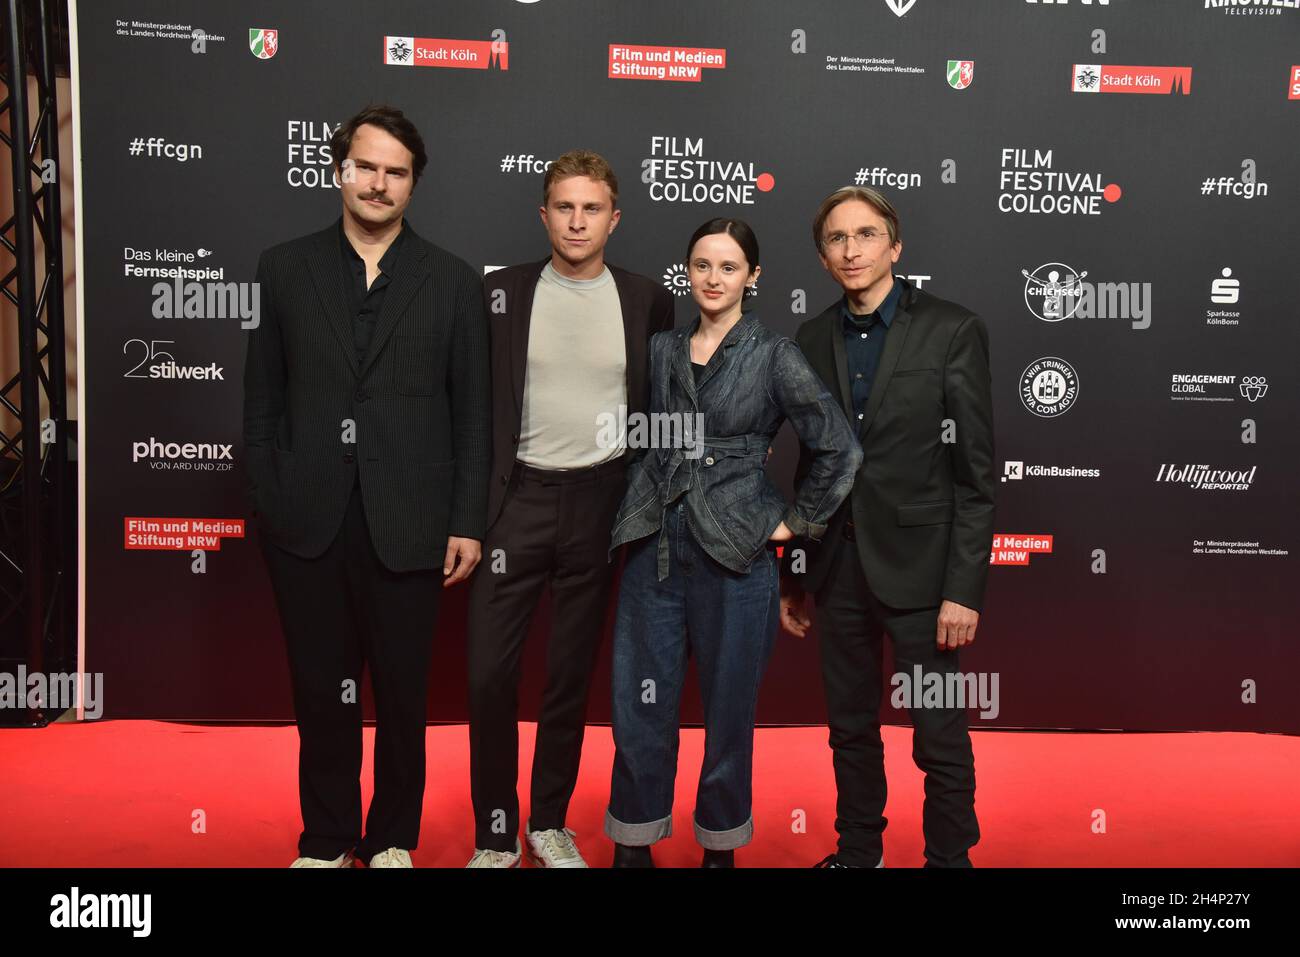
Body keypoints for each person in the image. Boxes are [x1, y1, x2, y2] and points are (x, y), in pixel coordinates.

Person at [242, 104, 490, 868]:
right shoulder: (283, 267)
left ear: (413, 184)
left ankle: (389, 838)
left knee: (405, 695)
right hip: (307, 517)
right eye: (367, 166)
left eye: (397, 172)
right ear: (339, 169)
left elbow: (473, 412)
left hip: (410, 519)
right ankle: (325, 838)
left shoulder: (452, 280)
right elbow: (262, 403)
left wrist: (467, 520)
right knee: (320, 692)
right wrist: (273, 495)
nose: (379, 183)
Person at [605, 218, 861, 867]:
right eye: (701, 265)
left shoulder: (774, 353)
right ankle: (633, 842)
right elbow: (640, 435)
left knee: (727, 714)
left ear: (753, 276)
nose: (712, 278)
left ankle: (719, 846)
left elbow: (839, 446)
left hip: (737, 555)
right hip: (655, 545)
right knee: (640, 709)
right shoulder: (661, 348)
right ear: (685, 272)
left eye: (727, 266)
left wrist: (794, 521)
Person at [465, 151, 674, 867]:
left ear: (614, 218)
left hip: (600, 502)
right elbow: (470, 407)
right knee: (489, 673)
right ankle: (495, 832)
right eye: (564, 206)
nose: (577, 221)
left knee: (568, 672)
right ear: (544, 213)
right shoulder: (501, 291)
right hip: (514, 499)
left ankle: (547, 821)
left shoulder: (647, 298)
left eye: (592, 209)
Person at [779, 186, 995, 868]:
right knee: (849, 729)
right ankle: (858, 850)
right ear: (823, 256)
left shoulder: (952, 329)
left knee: (938, 732)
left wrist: (963, 588)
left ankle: (949, 859)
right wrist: (796, 572)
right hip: (838, 570)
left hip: (926, 576)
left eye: (866, 235)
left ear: (894, 247)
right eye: (838, 238)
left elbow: (977, 476)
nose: (852, 249)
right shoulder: (811, 337)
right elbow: (811, 465)